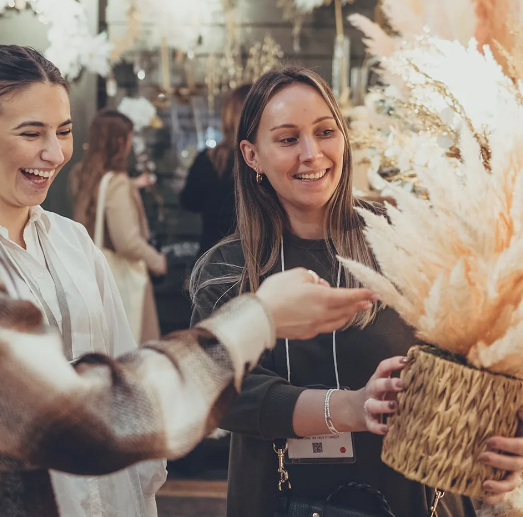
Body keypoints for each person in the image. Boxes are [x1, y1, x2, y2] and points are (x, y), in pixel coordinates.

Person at [0, 46, 378, 517]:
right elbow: (93, 416)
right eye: (31, 132)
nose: (55, 153)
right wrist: (259, 318)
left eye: (64, 131)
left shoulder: (72, 243)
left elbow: (123, 373)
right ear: (251, 154)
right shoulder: (228, 267)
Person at [190, 66, 522, 517]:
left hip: (416, 498)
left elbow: (487, 352)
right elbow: (222, 393)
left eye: (325, 132)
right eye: (288, 139)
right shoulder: (227, 270)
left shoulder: (408, 237)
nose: (312, 154)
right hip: (281, 498)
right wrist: (347, 407)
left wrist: (511, 433)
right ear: (252, 155)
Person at [70, 108, 164, 343]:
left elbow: (99, 202)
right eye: (130, 139)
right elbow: (127, 241)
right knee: (132, 350)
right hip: (118, 274)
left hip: (86, 271)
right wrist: (156, 261)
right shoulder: (118, 183)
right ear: (121, 141)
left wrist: (133, 185)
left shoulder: (80, 174)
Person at [181, 84, 251, 255]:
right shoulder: (267, 159)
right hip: (256, 253)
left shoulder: (210, 158)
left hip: (213, 251)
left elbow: (189, 200)